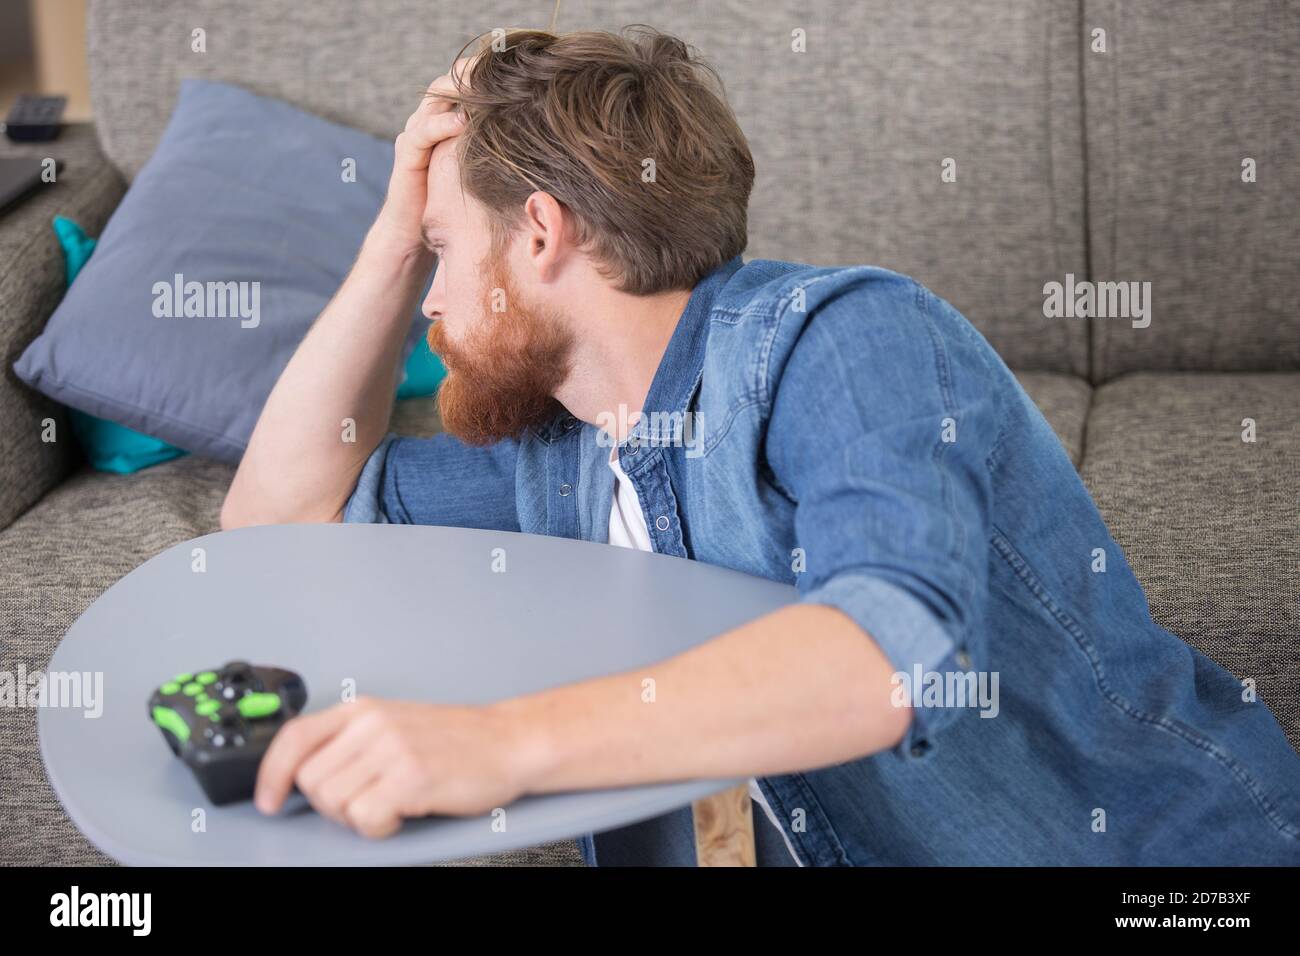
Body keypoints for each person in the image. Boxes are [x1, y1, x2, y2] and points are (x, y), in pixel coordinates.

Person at [221, 27, 1300, 865]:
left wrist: (498, 741)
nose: (434, 303)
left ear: (540, 233)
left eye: (443, 254)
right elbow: (276, 521)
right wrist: (389, 242)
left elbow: (887, 656)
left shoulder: (847, 337)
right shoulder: (560, 454)